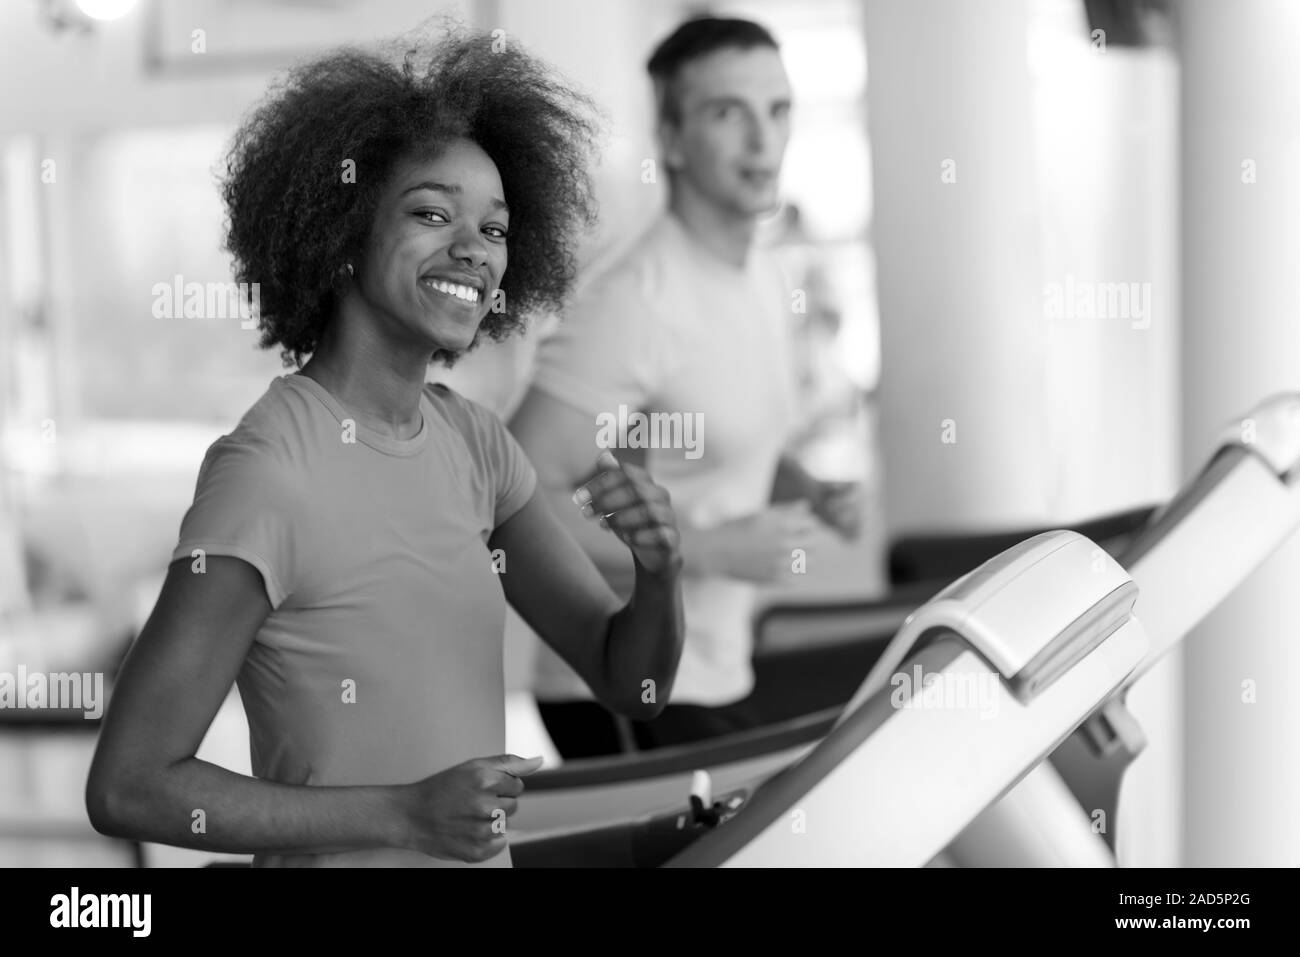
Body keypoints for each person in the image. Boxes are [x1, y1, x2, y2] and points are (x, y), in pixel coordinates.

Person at [85, 29, 685, 868]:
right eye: (432, 214)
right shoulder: (268, 471)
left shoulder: (477, 446)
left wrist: (658, 575)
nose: (473, 249)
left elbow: (633, 683)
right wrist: (403, 815)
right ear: (341, 232)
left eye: (496, 227)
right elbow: (129, 785)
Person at [509, 17, 862, 759]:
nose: (763, 141)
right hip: (622, 685)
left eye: (778, 109)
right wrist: (705, 550)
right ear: (670, 139)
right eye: (727, 112)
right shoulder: (635, 302)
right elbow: (510, 500)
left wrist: (806, 488)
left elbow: (702, 443)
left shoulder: (761, 274)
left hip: (714, 668)